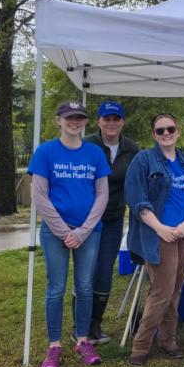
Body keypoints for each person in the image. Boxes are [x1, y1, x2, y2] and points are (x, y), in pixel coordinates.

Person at [29, 100, 110, 367]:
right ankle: (54, 346)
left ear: (86, 122)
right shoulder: (45, 152)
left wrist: (83, 231)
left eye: (79, 118)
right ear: (58, 120)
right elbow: (39, 195)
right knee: (56, 288)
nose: (74, 122)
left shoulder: (95, 153)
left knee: (85, 287)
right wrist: (65, 232)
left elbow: (102, 194)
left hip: (88, 232)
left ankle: (83, 339)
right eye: (69, 117)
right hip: (55, 233)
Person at [124, 114, 184, 367]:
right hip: (158, 233)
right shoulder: (143, 160)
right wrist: (160, 228)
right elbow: (136, 198)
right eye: (160, 130)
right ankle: (141, 344)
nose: (166, 133)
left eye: (170, 129)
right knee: (162, 290)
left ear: (178, 131)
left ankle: (168, 339)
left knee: (176, 288)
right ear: (154, 135)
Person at [72, 101, 139, 345]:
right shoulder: (85, 145)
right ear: (98, 121)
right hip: (87, 220)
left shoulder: (131, 148)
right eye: (106, 118)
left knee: (104, 272)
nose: (111, 123)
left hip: (113, 218)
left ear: (122, 122)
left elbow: (136, 181)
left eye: (116, 119)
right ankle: (79, 326)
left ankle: (95, 325)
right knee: (85, 272)